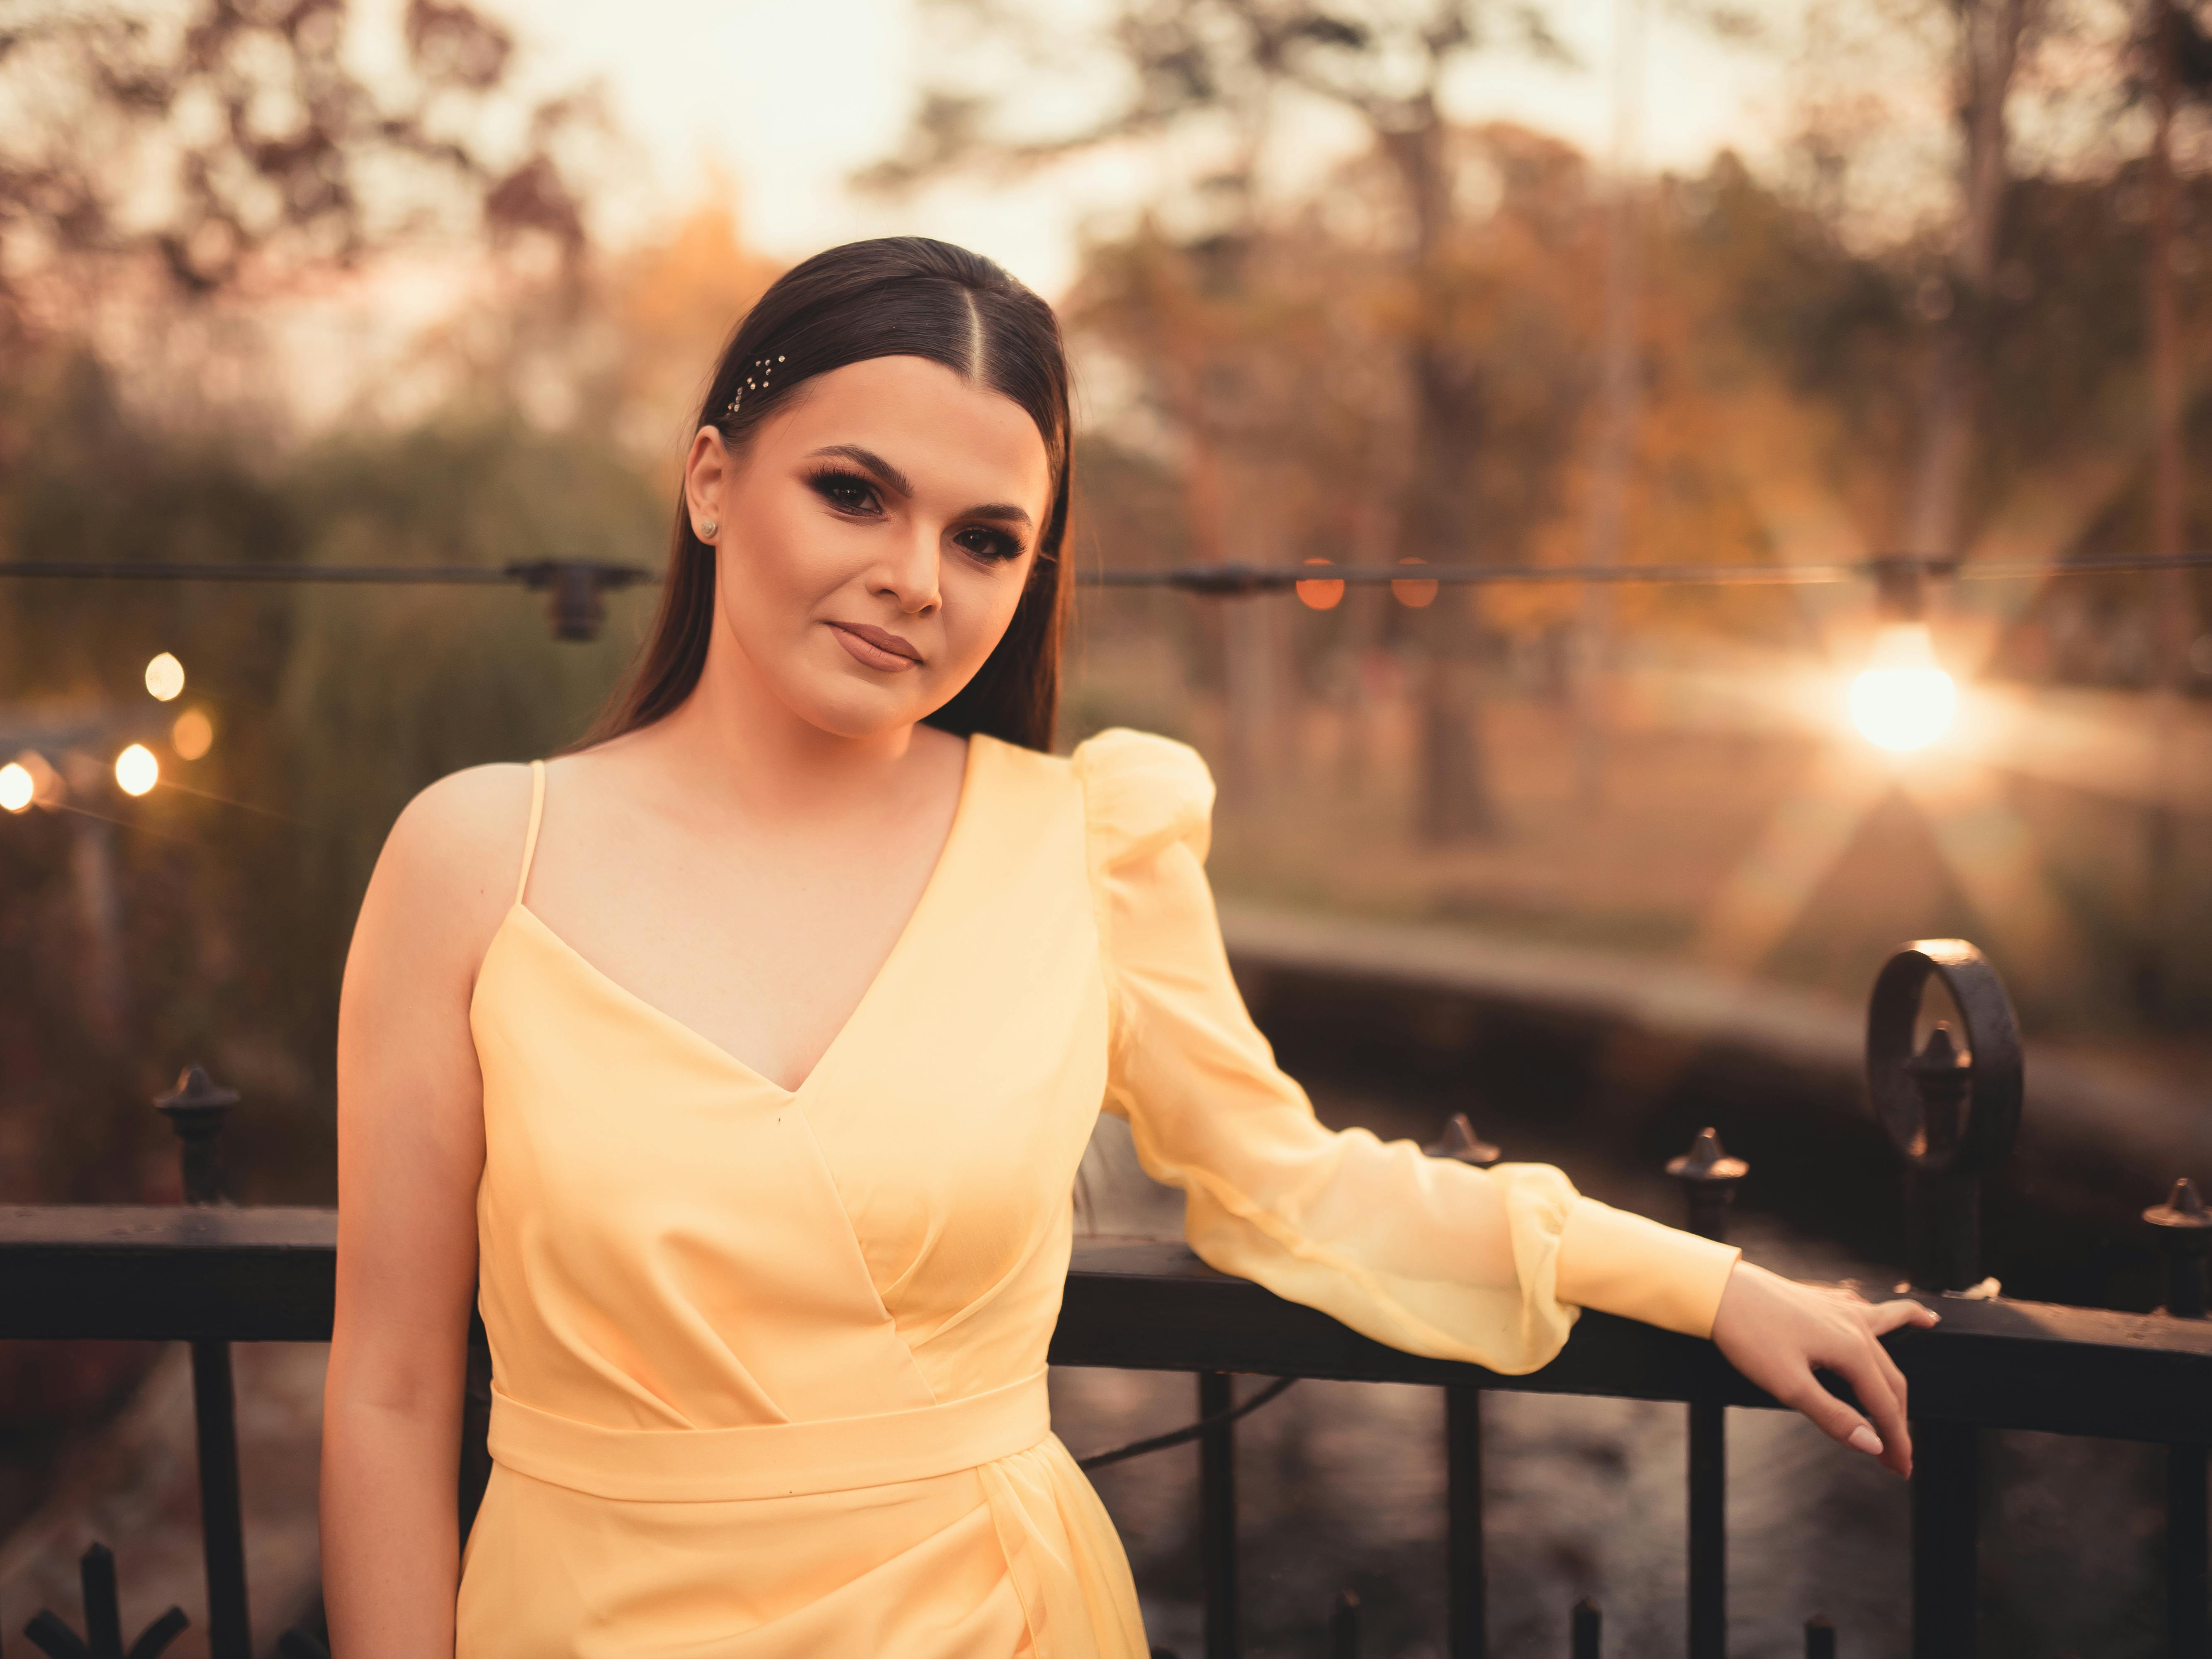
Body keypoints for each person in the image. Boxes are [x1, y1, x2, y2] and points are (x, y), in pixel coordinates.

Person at [319, 236, 1937, 1658]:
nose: (912, 580)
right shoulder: (479, 859)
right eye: (853, 492)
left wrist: (1705, 1282)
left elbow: (1297, 1189)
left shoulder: (1086, 848)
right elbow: (388, 1389)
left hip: (989, 1617)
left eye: (985, 539)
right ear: (711, 481)